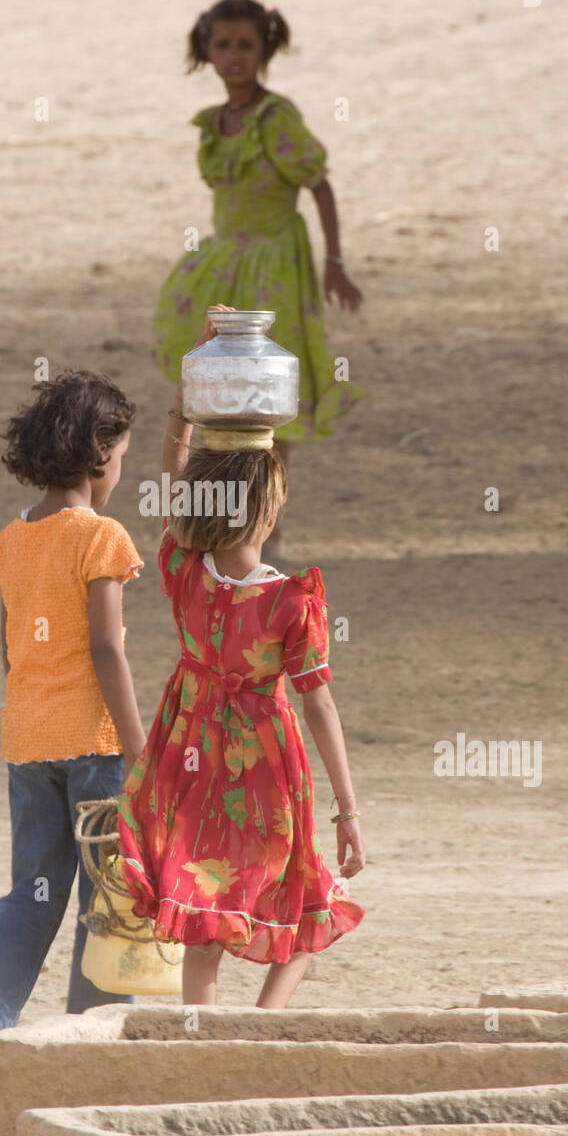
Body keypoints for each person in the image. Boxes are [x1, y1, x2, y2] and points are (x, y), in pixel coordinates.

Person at [117, 311, 366, 1008]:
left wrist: (184, 399)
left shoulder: (182, 569)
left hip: (189, 745)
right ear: (271, 508)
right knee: (299, 893)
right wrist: (347, 811)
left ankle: (202, 1034)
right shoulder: (292, 602)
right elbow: (318, 703)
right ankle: (263, 1025)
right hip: (266, 759)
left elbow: (170, 479)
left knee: (202, 892)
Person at [0, 370, 147, 1115]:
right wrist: (140, 749)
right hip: (95, 745)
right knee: (107, 901)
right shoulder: (102, 536)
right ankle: (88, 1041)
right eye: (121, 459)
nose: (121, 474)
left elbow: (12, 650)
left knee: (34, 892)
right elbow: (108, 649)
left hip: (27, 743)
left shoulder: (13, 538)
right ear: (99, 455)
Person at [152, 0, 365, 551]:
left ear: (265, 48)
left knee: (269, 400)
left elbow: (319, 184)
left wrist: (334, 263)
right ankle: (225, 521)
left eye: (246, 44)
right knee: (218, 389)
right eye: (223, 45)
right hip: (225, 262)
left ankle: (265, 534)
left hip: (277, 269)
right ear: (207, 49)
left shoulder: (277, 118)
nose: (234, 56)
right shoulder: (216, 123)